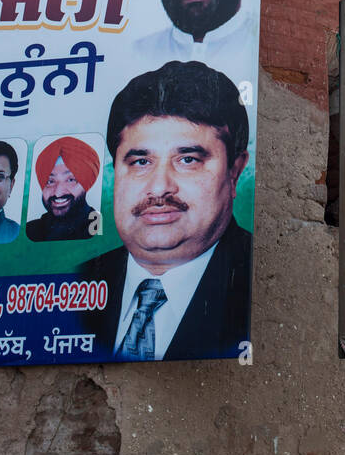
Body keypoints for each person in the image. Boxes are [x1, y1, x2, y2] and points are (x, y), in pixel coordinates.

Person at [78, 61, 251, 361]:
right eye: (140, 162)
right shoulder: (75, 286)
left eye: (188, 160)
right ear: (115, 173)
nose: (159, 189)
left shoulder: (263, 285)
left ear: (234, 172)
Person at [26, 137, 101, 241]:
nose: (58, 193)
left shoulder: (101, 227)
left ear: (87, 182)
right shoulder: (30, 231)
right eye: (50, 181)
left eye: (70, 180)